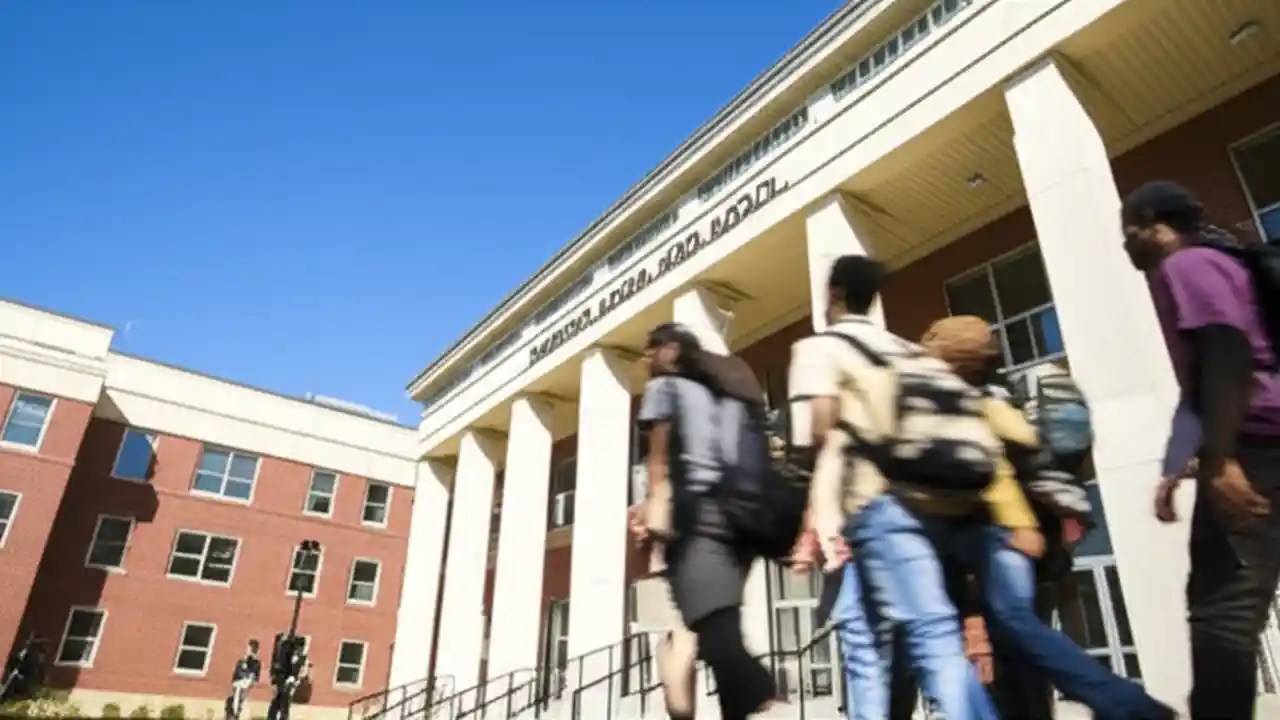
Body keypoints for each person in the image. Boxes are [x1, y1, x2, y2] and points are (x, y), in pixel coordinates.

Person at [916, 315, 1175, 720]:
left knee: (1015, 631)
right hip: (1038, 542)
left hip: (1004, 535)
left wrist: (1015, 522)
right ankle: (1122, 704)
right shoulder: (1003, 391)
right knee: (1020, 646)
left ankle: (1127, 704)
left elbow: (997, 468)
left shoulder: (967, 400)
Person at [793, 255, 1000, 719]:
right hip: (933, 500)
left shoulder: (821, 348)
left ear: (833, 292)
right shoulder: (904, 348)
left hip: (877, 506)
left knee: (929, 637)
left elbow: (823, 431)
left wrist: (815, 516)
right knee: (862, 637)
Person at [1123, 180, 1280, 719]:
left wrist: (1221, 459)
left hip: (1259, 440)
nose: (1127, 246)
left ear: (1151, 222)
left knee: (1222, 610)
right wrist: (1174, 466)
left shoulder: (1188, 266)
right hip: (1256, 436)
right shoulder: (1221, 262)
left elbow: (1227, 353)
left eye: (1129, 231)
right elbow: (1198, 386)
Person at [631, 322, 776, 720]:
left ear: (670, 350)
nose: (645, 358)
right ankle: (745, 697)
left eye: (651, 348)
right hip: (742, 520)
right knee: (720, 623)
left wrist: (652, 511)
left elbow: (658, 459)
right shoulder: (725, 390)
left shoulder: (665, 388)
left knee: (697, 631)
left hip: (694, 518)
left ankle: (760, 688)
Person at [225, 639, 261, 720]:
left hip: (246, 685)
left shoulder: (256, 663)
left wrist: (249, 681)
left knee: (240, 702)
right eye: (248, 648)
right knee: (232, 700)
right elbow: (235, 675)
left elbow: (255, 676)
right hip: (238, 685)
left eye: (250, 648)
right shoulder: (241, 661)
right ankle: (232, 715)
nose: (248, 650)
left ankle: (236, 714)